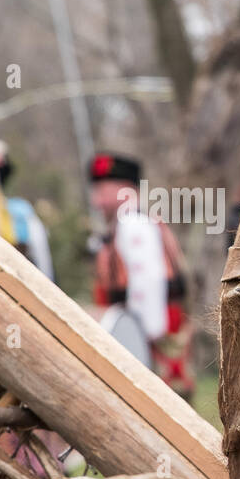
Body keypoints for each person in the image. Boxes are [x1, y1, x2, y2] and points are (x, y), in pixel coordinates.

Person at [89, 153, 195, 400]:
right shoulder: (131, 223)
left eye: (102, 190)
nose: (96, 201)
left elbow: (147, 282)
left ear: (123, 189)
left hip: (152, 340)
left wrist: (137, 347)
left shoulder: (133, 225)